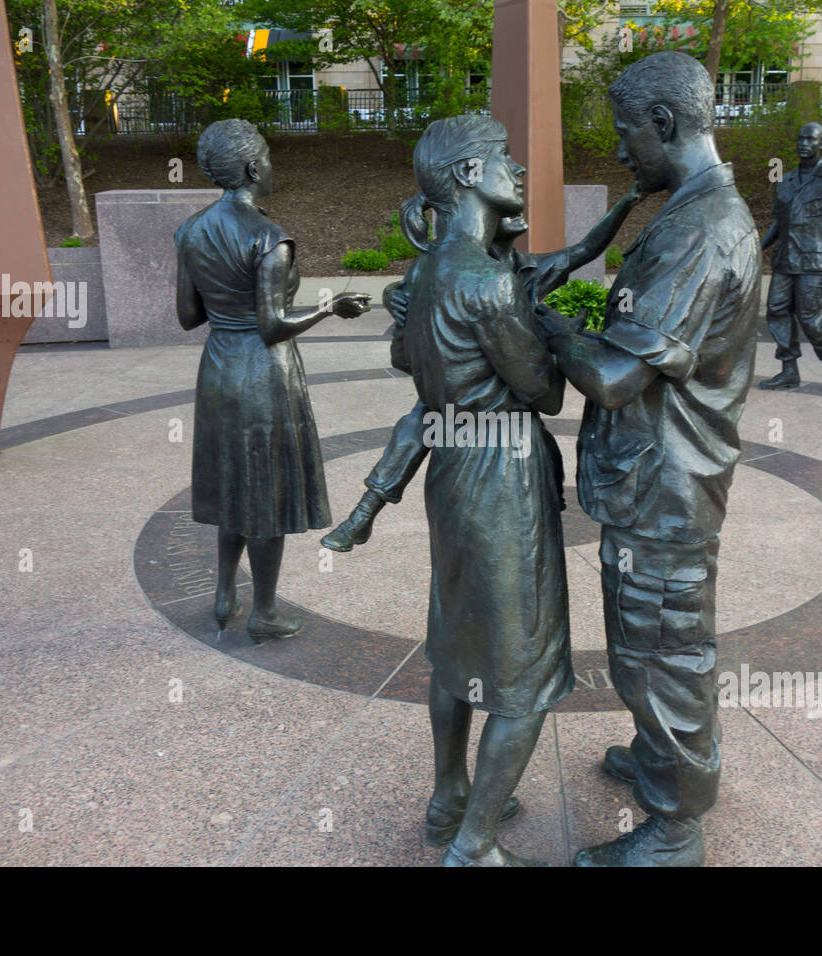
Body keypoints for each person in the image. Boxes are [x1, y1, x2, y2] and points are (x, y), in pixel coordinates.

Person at [535, 51, 761, 866]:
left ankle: (673, 827)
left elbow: (618, 377)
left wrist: (553, 325)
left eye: (627, 133)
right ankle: (663, 758)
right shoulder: (687, 211)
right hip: (652, 483)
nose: (622, 151)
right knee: (647, 645)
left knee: (664, 650)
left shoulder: (700, 231)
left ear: (663, 123)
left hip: (668, 486)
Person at [404, 114, 569, 866]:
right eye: (505, 158)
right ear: (470, 176)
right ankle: (472, 846)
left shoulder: (428, 270)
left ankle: (448, 796)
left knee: (455, 639)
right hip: (503, 477)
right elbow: (541, 390)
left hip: (451, 471)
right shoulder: (489, 282)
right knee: (521, 672)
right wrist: (553, 325)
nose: (519, 170)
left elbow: (410, 360)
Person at [321, 185, 645, 553]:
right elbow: (412, 292)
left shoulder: (532, 268)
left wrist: (629, 200)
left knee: (504, 431)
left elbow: (588, 247)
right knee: (425, 416)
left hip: (512, 370)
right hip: (472, 372)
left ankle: (366, 513)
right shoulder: (460, 267)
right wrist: (391, 295)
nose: (515, 215)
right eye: (505, 213)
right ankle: (365, 512)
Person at [174, 119, 370, 641]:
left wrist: (227, 309)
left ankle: (223, 594)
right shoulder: (268, 237)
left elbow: (188, 316)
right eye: (268, 158)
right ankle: (263, 611)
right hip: (262, 374)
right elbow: (272, 326)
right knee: (264, 491)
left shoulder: (192, 230)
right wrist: (332, 308)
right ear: (253, 168)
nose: (272, 167)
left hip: (217, 369)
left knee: (232, 482)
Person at [759, 121, 822, 391]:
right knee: (776, 311)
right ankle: (789, 370)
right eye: (800, 139)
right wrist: (758, 249)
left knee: (809, 316)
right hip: (784, 259)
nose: (804, 144)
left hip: (814, 261)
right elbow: (779, 223)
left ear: (821, 144)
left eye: (810, 140)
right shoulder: (785, 180)